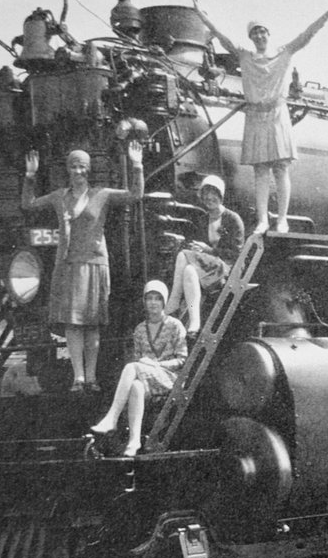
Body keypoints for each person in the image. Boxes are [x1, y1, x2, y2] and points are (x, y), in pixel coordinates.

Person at [192, 0, 328, 235]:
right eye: (254, 32)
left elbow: (308, 33)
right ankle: (262, 220)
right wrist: (199, 13)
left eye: (262, 30)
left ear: (268, 33)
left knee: (281, 169)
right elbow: (221, 35)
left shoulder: (285, 51)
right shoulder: (245, 55)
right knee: (260, 171)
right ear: (251, 37)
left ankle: (282, 219)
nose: (259, 34)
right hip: (256, 115)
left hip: (278, 114)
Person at [22, 142, 144, 392]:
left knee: (92, 324)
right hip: (68, 265)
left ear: (88, 170)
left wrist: (136, 164)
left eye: (82, 167)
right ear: (68, 170)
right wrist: (30, 175)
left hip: (95, 263)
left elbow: (135, 194)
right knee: (73, 324)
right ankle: (78, 378)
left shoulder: (102, 194)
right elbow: (29, 204)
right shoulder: (59, 196)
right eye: (74, 166)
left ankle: (91, 378)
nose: (78, 171)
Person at [90, 280, 188, 457]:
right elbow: (138, 358)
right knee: (136, 386)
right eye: (149, 298)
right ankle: (134, 441)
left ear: (164, 302)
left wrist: (157, 365)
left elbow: (182, 360)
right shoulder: (140, 329)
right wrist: (145, 364)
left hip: (171, 378)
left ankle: (112, 417)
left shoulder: (175, 325)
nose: (153, 302)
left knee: (131, 367)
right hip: (148, 378)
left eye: (157, 299)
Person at [164, 175, 244, 336]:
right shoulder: (202, 218)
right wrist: (198, 249)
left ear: (221, 196)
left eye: (213, 194)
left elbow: (236, 254)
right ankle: (195, 322)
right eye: (206, 195)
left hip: (227, 266)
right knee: (188, 270)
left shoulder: (232, 219)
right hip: (208, 265)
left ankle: (173, 300)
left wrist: (209, 250)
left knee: (183, 256)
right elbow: (199, 246)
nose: (209, 199)